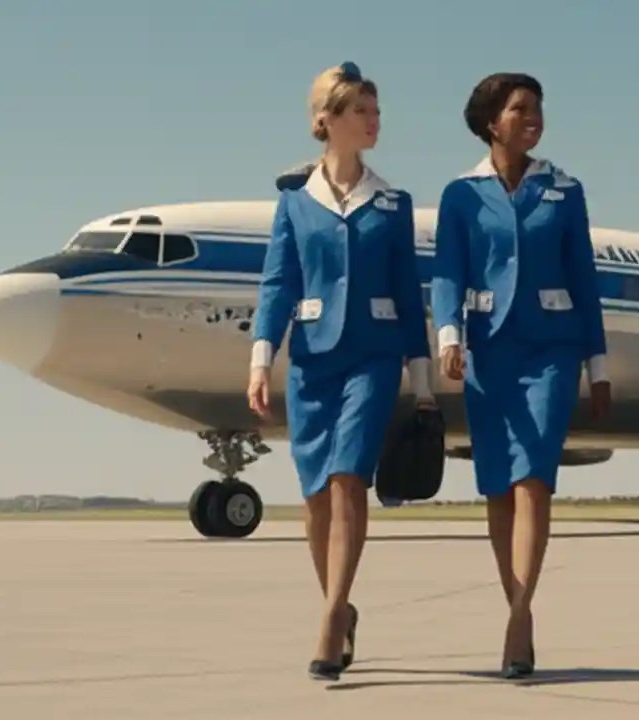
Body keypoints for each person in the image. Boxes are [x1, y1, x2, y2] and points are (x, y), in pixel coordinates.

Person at [246, 61, 436, 682]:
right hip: (313, 365)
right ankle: (343, 605)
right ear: (327, 121)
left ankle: (329, 619)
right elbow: (278, 284)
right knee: (313, 498)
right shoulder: (296, 205)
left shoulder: (392, 203)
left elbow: (409, 295)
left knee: (349, 477)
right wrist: (260, 358)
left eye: (377, 113)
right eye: (362, 111)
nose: (374, 122)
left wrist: (422, 380)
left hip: (373, 359)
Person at [430, 72, 611, 679]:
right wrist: (449, 334)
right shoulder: (461, 194)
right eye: (520, 108)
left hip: (551, 352)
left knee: (535, 475)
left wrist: (598, 362)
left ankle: (520, 618)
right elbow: (450, 272)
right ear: (491, 123)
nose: (533, 116)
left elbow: (583, 276)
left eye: (537, 107)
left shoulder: (564, 190)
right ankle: (516, 601)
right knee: (498, 486)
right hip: (488, 350)